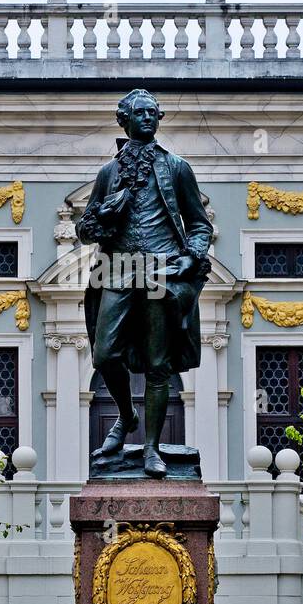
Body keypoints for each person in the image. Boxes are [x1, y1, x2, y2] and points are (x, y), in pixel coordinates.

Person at [76, 90, 213, 478]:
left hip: (161, 270)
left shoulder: (177, 167)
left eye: (154, 113)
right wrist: (104, 211)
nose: (149, 118)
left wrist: (191, 255)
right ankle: (126, 414)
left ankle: (151, 448)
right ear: (125, 120)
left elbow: (199, 224)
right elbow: (86, 229)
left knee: (158, 365)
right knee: (104, 355)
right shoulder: (108, 173)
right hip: (118, 269)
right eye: (141, 113)